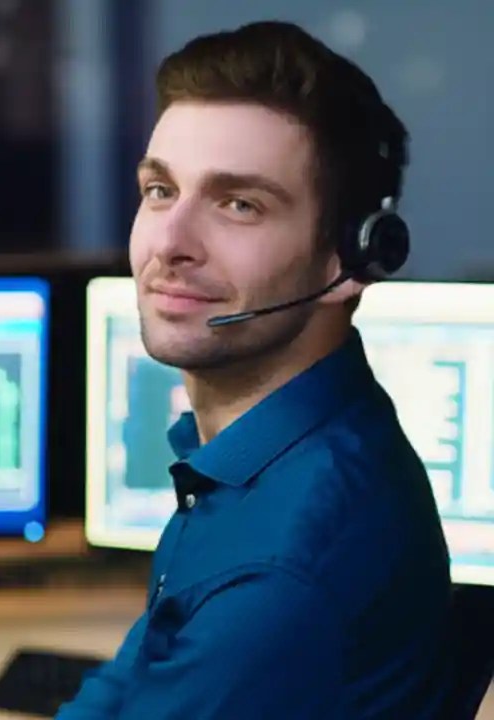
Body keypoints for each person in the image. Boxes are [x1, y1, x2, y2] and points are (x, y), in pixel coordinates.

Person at [56, 21, 453, 719]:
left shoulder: (279, 574)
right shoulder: (259, 460)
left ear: (350, 260)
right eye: (159, 191)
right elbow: (133, 677)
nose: (170, 244)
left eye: (239, 204)